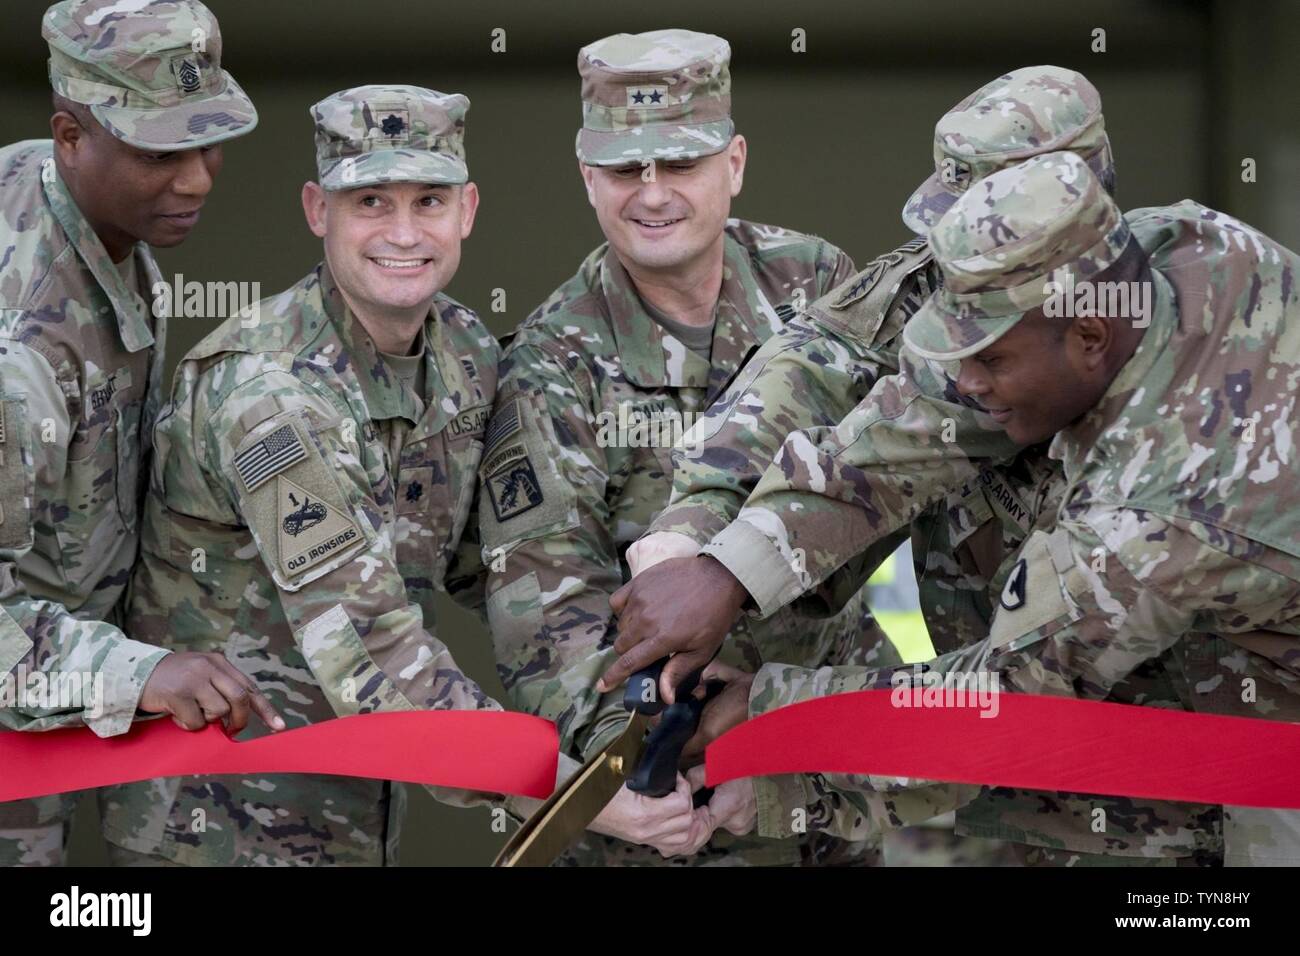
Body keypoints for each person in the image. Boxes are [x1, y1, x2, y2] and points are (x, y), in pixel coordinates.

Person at [614, 150, 1298, 866]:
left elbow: (1001, 709)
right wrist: (725, 566)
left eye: (992, 361)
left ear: (1090, 339)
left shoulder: (1162, 512)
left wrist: (772, 719)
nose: (964, 385)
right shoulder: (1172, 253)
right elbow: (912, 416)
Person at [99, 84, 701, 866]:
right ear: (319, 210)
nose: (404, 233)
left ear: (468, 210)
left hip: (358, 814)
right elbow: (371, 648)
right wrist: (580, 791)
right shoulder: (265, 393)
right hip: (214, 827)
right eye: (371, 201)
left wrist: (645, 674)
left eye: (429, 200)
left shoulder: (466, 352)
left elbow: (511, 565)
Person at [478, 28, 895, 866]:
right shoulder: (550, 363)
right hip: (661, 810)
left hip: (826, 778)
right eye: (627, 169)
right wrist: (640, 774)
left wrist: (849, 716)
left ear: (734, 163)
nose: (654, 192)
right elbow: (544, 614)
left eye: (682, 163)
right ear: (589, 178)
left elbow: (888, 495)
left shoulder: (815, 284)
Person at [0, 0, 274, 868]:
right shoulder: (19, 354)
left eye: (209, 140)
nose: (196, 179)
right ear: (71, 136)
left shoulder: (88, 217)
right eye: (161, 152)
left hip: (60, 701)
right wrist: (139, 674)